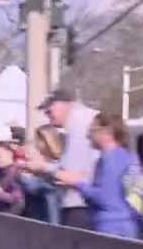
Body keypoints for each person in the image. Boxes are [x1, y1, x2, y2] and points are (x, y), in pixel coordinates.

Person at [56, 111, 143, 240]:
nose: (88, 136)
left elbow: (105, 198)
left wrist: (78, 183)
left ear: (107, 133)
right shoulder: (130, 158)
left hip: (111, 228)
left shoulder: (108, 159)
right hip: (129, 226)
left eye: (92, 130)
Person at [41, 87, 100, 229]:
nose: (46, 113)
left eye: (50, 108)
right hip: (84, 204)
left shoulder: (79, 125)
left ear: (68, 104)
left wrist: (43, 167)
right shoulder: (80, 123)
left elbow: (71, 174)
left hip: (81, 206)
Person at [21, 125, 64, 224]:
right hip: (38, 215)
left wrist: (23, 177)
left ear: (48, 140)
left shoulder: (58, 163)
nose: (37, 144)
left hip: (53, 216)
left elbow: (36, 187)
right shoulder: (41, 161)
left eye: (39, 140)